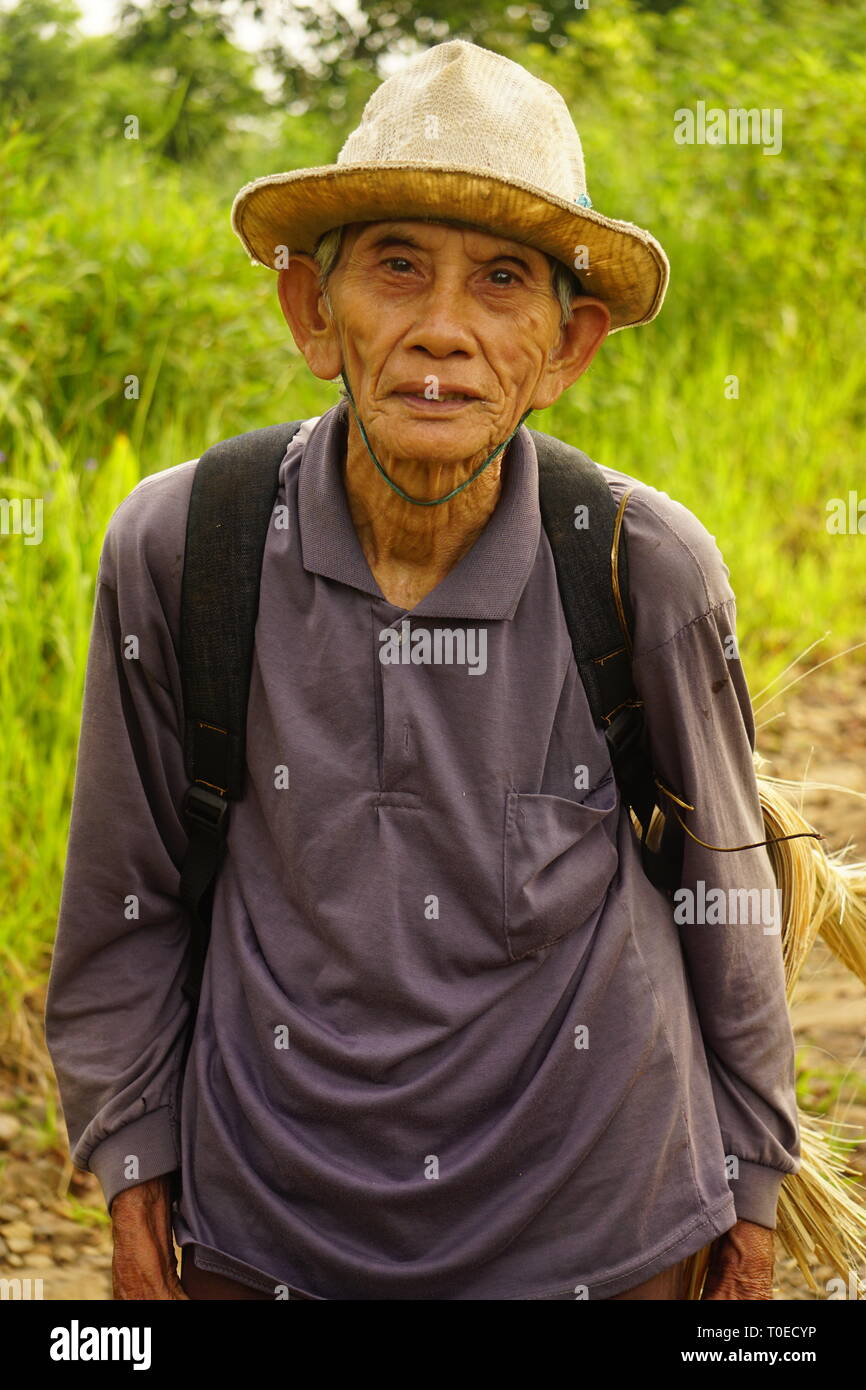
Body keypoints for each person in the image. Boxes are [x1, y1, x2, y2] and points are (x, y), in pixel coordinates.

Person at [45, 38, 799, 1301]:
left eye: (502, 281)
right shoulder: (185, 547)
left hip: (599, 1232)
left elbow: (724, 891)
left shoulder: (640, 565)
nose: (441, 329)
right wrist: (132, 1178)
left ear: (565, 348)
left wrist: (756, 1193)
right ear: (311, 312)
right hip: (267, 1237)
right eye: (396, 267)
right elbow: (126, 901)